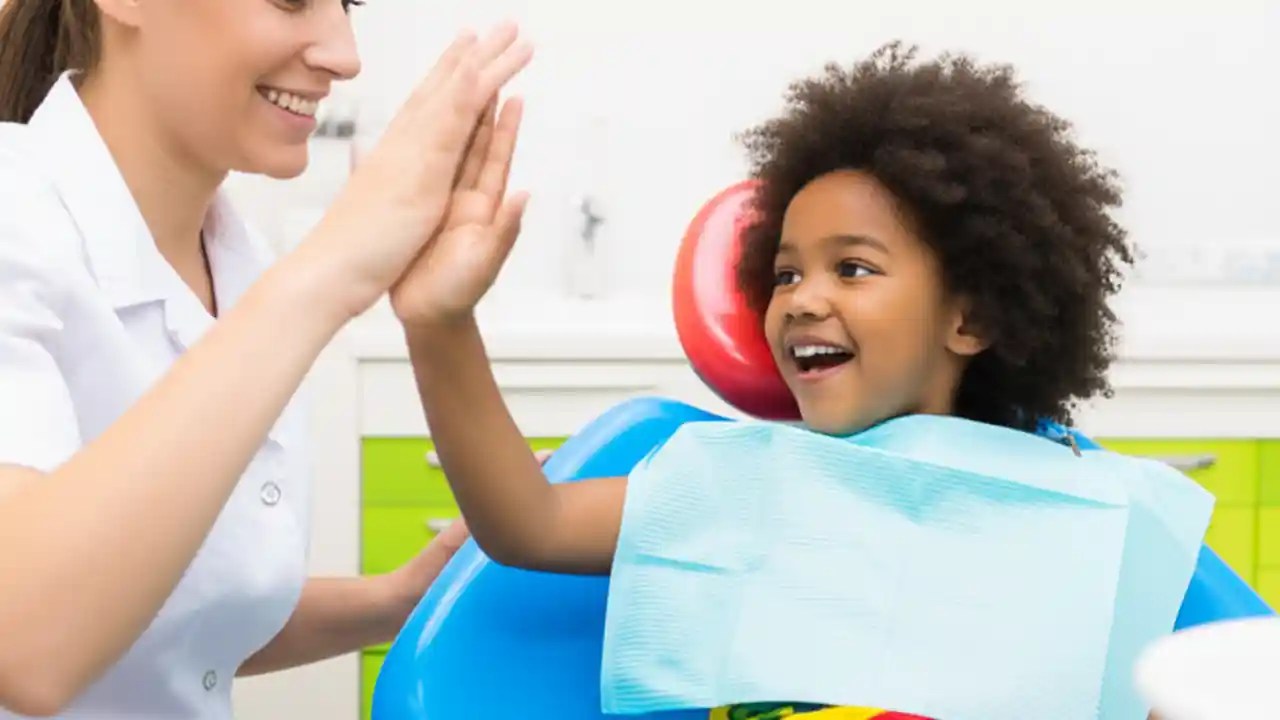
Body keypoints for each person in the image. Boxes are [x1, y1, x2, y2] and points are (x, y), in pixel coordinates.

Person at [388, 42, 1141, 716]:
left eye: (853, 268)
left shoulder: (1052, 507)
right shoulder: (739, 487)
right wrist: (439, 323)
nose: (803, 299)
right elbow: (529, 522)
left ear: (970, 320)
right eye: (784, 274)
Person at [0, 0, 534, 715]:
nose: (345, 55)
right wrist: (331, 269)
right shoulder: (19, 215)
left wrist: (394, 599)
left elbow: (170, 618)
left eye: (345, 6)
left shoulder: (236, 260)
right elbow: (27, 640)